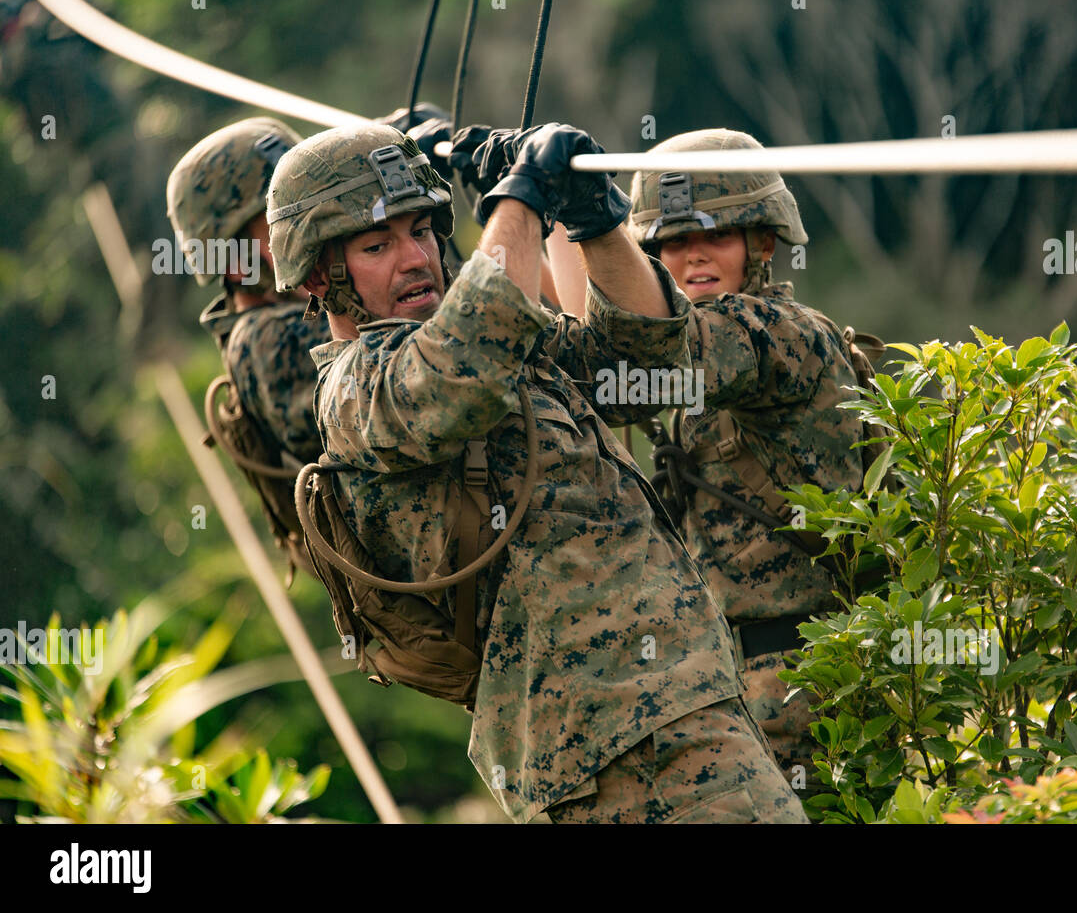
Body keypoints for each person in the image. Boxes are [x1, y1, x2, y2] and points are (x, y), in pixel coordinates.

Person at [266, 120, 806, 824]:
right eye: (377, 245)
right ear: (319, 276)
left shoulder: (500, 347)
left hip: (672, 711)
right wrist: (520, 196)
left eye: (422, 232)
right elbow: (466, 359)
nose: (415, 258)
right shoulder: (358, 390)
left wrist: (594, 220)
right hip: (613, 748)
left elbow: (644, 361)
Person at [615, 128, 880, 795]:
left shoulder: (785, 337)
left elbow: (651, 351)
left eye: (718, 234)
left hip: (810, 681)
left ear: (763, 242)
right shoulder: (701, 356)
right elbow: (601, 353)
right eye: (673, 241)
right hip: (728, 680)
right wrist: (535, 213)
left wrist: (593, 226)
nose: (694, 255)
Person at [166, 116, 331, 573]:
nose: (316, 226)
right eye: (287, 216)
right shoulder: (267, 345)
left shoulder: (308, 309)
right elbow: (437, 352)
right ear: (235, 259)